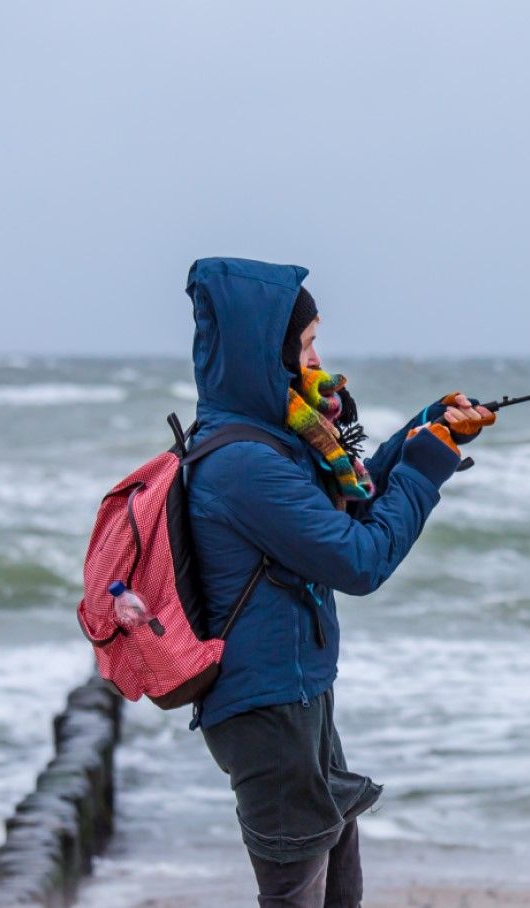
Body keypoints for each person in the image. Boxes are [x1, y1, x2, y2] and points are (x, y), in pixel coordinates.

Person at [183, 257, 494, 907]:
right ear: (265, 352)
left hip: (299, 694)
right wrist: (429, 464)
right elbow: (360, 559)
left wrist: (425, 428)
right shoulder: (244, 464)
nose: (318, 356)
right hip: (267, 711)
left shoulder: (278, 436)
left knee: (339, 866)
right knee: (296, 889)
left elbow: (355, 498)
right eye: (306, 343)